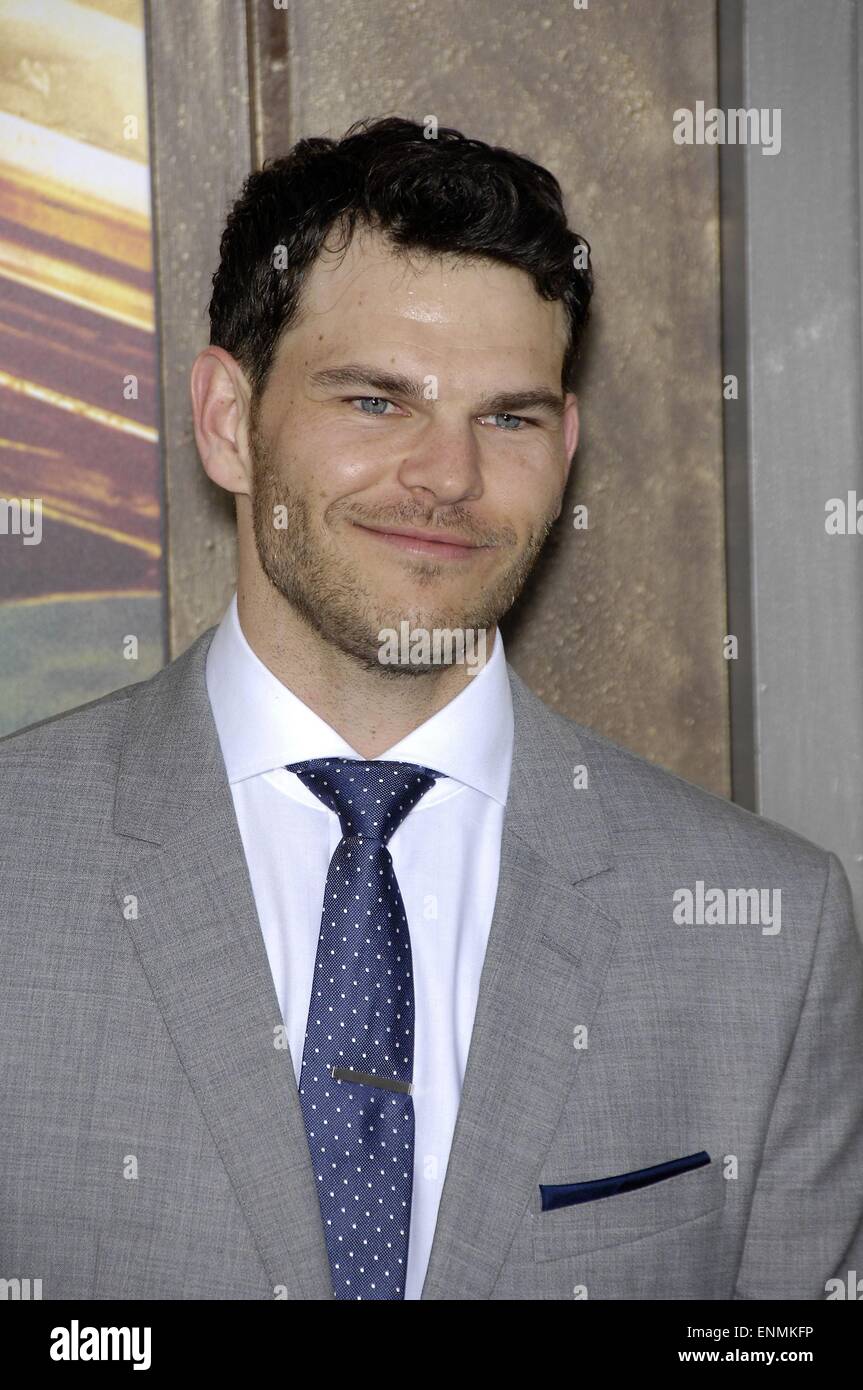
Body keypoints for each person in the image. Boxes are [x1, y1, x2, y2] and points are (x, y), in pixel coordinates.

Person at [1, 116, 861, 1302]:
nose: (447, 476)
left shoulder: (770, 934)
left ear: (563, 449)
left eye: (504, 417)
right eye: (373, 402)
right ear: (225, 422)